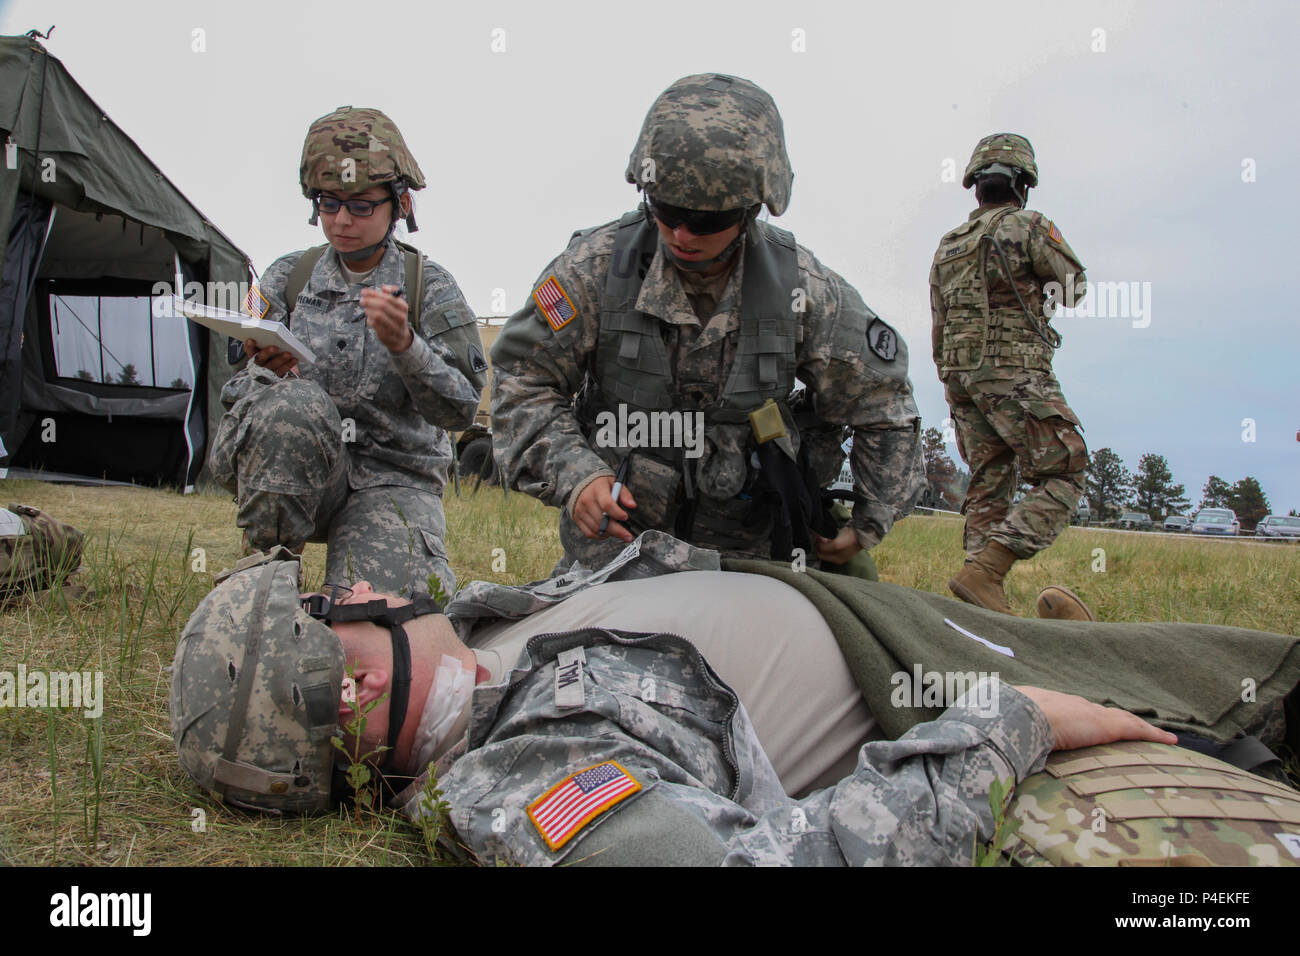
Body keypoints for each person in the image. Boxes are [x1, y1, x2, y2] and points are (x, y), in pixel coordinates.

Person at [171, 540, 1300, 866]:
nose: (356, 584)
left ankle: (1080, 641)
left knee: (1207, 655)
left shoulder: (469, 630)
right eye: (331, 602)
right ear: (355, 680)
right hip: (942, 708)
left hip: (888, 622)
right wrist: (1011, 726)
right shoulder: (522, 775)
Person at [490, 74, 925, 574]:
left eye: (705, 221)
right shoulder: (594, 269)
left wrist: (870, 518)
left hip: (752, 562)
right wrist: (577, 477)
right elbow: (521, 382)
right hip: (619, 556)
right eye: (667, 210)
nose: (681, 234)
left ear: (751, 210)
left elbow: (883, 401)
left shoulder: (802, 290)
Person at [208, 107, 487, 598]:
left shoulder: (430, 287)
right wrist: (269, 371)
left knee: (376, 621)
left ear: (398, 204)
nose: (340, 220)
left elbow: (462, 407)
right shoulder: (287, 277)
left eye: (360, 206)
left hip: (392, 481)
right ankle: (267, 576)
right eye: (329, 203)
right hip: (302, 472)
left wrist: (406, 346)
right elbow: (240, 379)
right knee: (294, 405)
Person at [930, 133, 1089, 618]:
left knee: (989, 479)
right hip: (1013, 371)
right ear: (1023, 184)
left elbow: (938, 323)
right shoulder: (1029, 225)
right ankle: (989, 570)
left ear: (976, 186)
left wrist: (954, 395)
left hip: (961, 378)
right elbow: (1073, 289)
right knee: (1065, 470)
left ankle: (981, 607)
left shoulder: (949, 245)